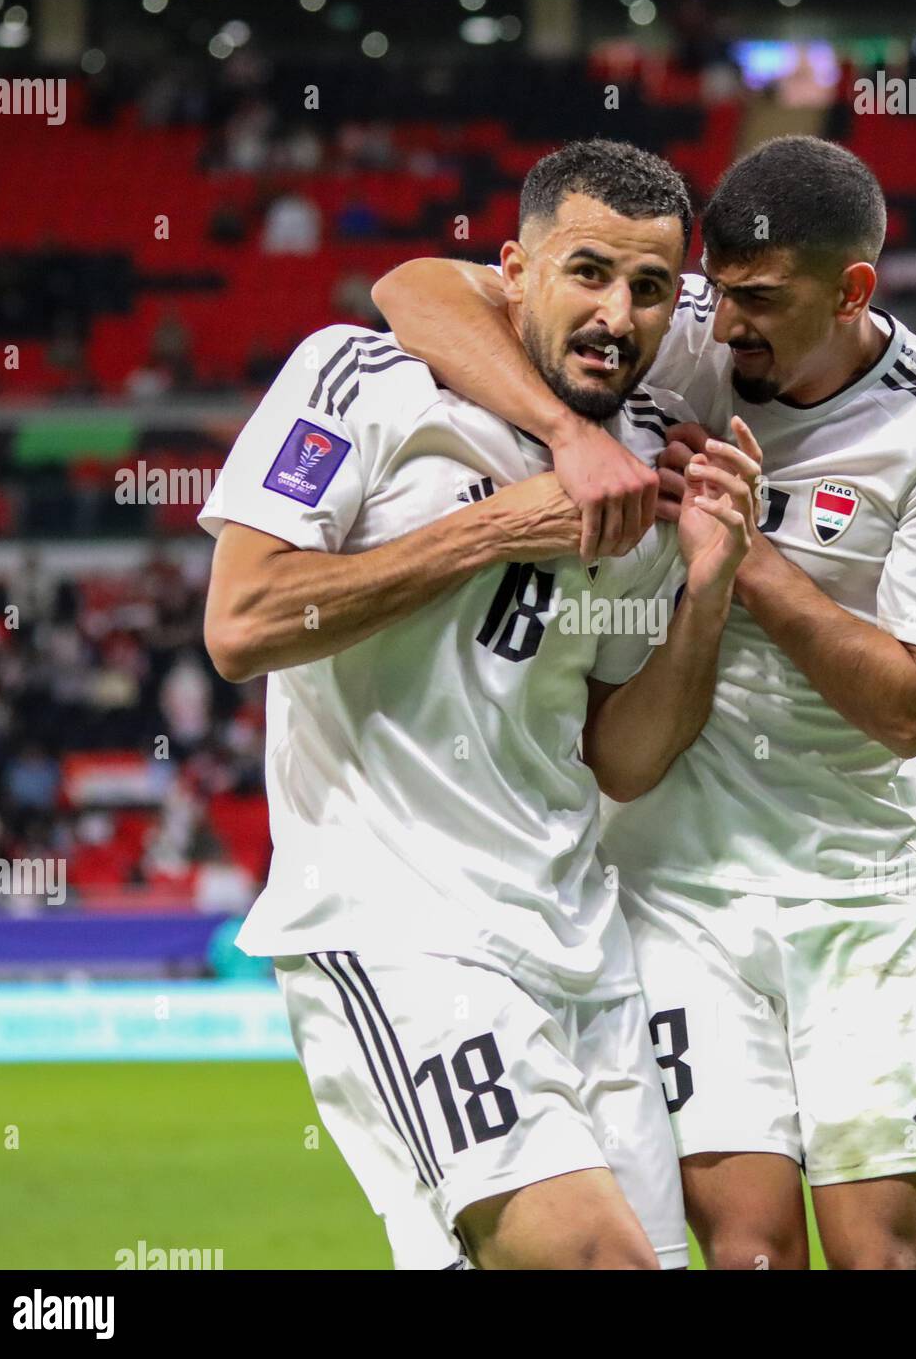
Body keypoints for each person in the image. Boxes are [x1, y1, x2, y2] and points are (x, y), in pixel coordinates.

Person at [370, 135, 916, 1269]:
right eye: (722, 293)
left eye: (762, 303)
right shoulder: (685, 322)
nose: (723, 328)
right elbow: (410, 288)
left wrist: (747, 559)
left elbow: (913, 708)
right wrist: (570, 436)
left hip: (855, 891)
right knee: (749, 1253)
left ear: (852, 290)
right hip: (673, 885)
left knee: (881, 1257)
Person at [200, 140, 759, 1270]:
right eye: (589, 273)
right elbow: (244, 623)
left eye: (650, 289)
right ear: (513, 270)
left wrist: (708, 584)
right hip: (397, 926)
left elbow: (625, 758)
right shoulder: (357, 382)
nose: (619, 312)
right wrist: (501, 525)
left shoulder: (647, 461)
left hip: (582, 955)